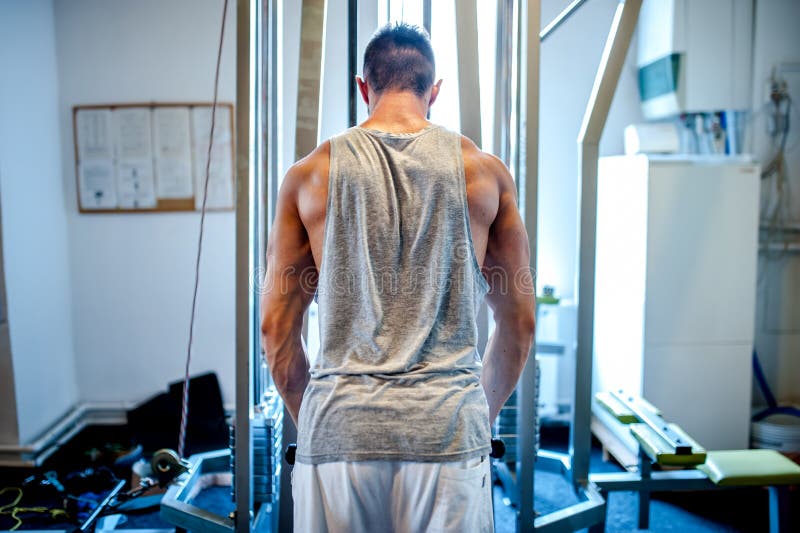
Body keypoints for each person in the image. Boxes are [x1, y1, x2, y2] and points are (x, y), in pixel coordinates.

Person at [261, 22, 535, 532]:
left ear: (363, 87)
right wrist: (475, 418)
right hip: (448, 432)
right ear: (434, 91)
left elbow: (276, 332)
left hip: (339, 433)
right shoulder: (485, 174)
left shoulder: (307, 177)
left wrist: (326, 421)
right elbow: (519, 325)